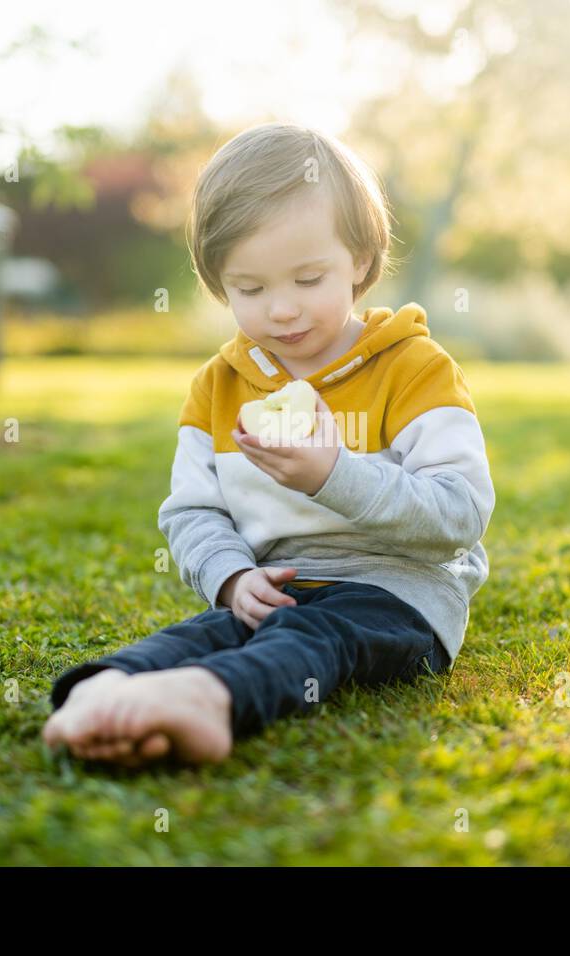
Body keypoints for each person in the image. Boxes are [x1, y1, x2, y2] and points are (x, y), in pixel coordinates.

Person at [42, 122, 495, 767]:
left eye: (308, 280)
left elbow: (460, 514)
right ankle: (101, 691)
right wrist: (230, 578)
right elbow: (192, 510)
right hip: (277, 583)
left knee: (316, 635)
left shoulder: (415, 369)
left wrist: (333, 474)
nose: (281, 310)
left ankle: (211, 700)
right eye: (249, 290)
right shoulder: (219, 386)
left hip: (398, 594)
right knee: (209, 631)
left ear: (360, 261)